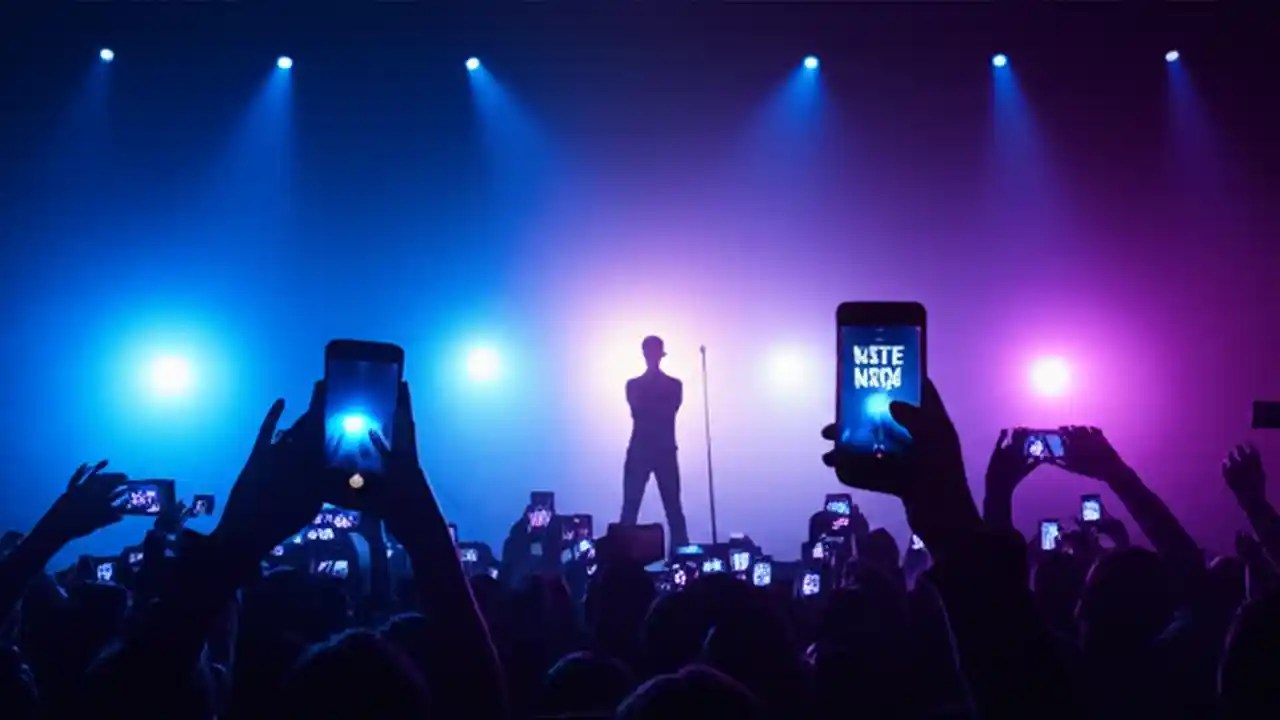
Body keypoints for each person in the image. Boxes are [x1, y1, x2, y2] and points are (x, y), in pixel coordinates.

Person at [620, 335, 689, 549]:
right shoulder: (635, 385)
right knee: (631, 508)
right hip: (646, 450)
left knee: (673, 509)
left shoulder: (673, 385)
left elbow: (665, 411)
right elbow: (640, 410)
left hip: (659, 450)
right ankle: (620, 556)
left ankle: (682, 558)